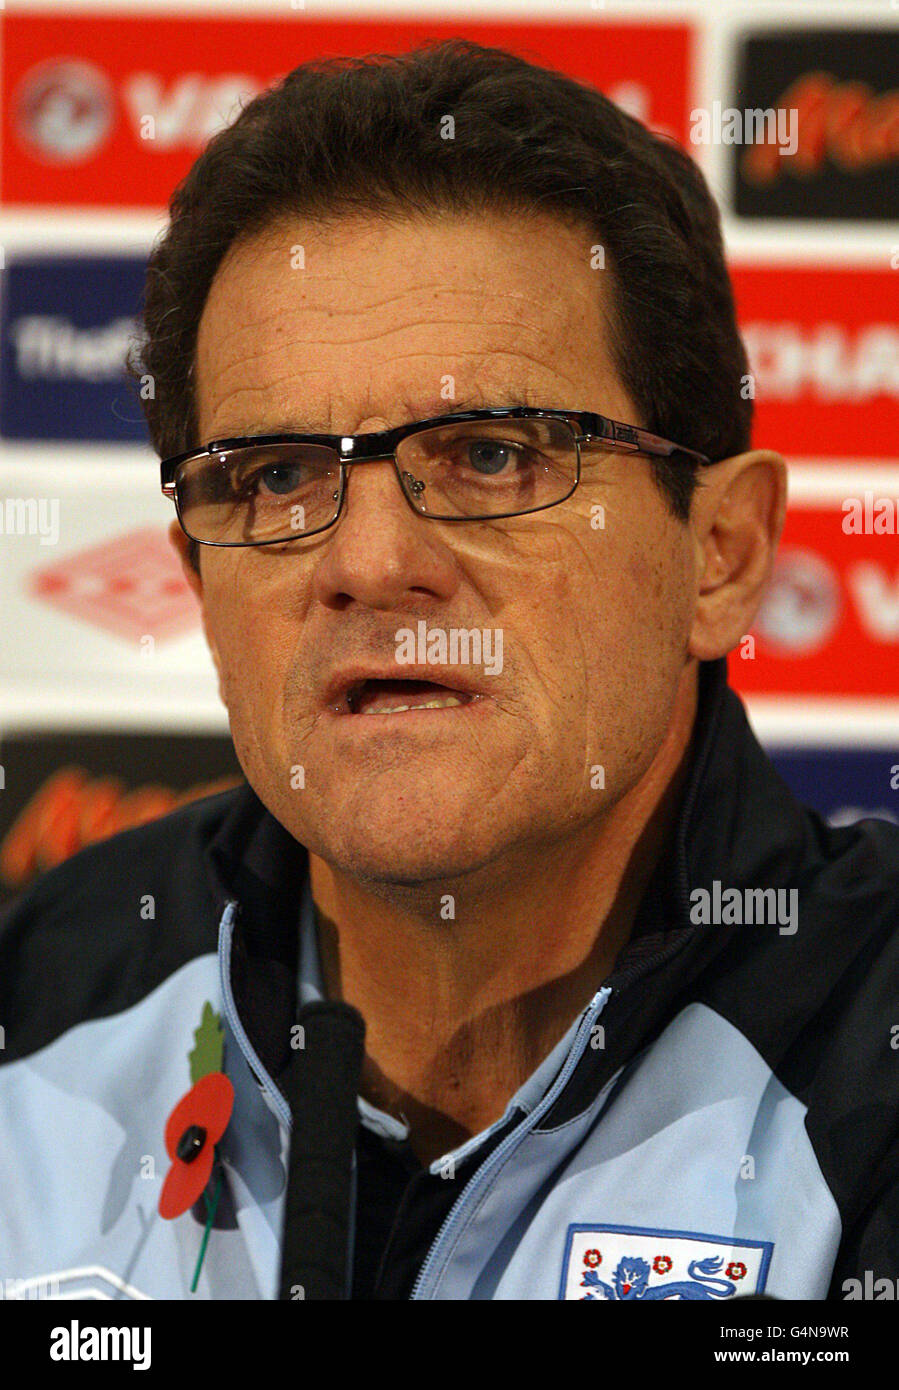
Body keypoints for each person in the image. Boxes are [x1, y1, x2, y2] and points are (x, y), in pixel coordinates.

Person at [1, 40, 896, 1302]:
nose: (368, 562)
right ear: (200, 589)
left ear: (719, 555)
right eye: (276, 477)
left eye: (489, 455)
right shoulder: (39, 994)